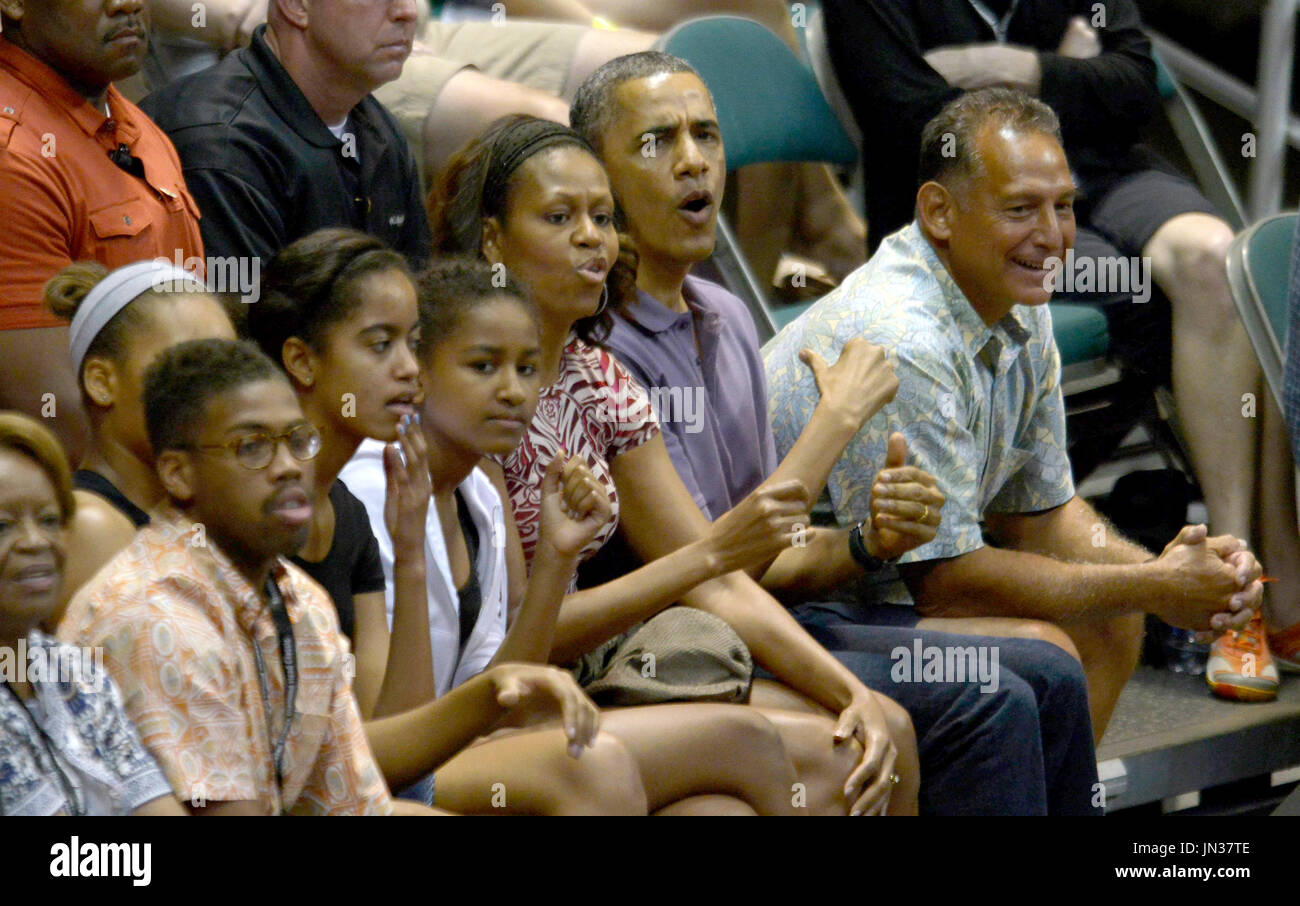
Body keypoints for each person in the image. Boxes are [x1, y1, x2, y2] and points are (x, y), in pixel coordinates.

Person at [569, 51, 1103, 814]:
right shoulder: (601, 346)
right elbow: (711, 576)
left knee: (1050, 672)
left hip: (764, 615)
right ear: (597, 176)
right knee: (989, 699)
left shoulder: (722, 314)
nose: (694, 162)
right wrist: (837, 420)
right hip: (675, 648)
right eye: (658, 142)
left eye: (708, 135)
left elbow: (769, 558)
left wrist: (865, 542)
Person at [430, 114, 932, 816]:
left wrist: (847, 692)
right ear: (492, 241)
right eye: (559, 216)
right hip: (517, 686)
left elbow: (719, 582)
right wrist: (711, 553)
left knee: (883, 732)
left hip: (608, 662)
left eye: (602, 217)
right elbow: (517, 640)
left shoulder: (598, 379)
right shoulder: (474, 397)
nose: (591, 237)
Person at [820, 0, 1300, 700]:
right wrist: (1068, 74)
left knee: (1215, 262)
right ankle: (1228, 586)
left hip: (1103, 172)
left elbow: (1136, 85)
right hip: (978, 202)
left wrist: (1012, 70)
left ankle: (1234, 581)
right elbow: (910, 120)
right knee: (1096, 274)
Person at [59, 337, 648, 814]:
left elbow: (351, 793)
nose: (290, 466)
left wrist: (497, 690)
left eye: (296, 440)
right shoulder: (157, 618)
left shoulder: (296, 600)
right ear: (179, 474)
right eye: (252, 447)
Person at [338, 253, 836, 815]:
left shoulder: (478, 492)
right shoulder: (376, 485)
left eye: (528, 370)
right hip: (405, 767)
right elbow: (395, 736)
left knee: (726, 804)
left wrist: (554, 558)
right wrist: (710, 554)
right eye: (483, 366)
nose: (511, 391)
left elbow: (507, 693)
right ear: (420, 374)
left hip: (472, 740)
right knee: (740, 741)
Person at [0, 0, 205, 459]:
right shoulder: (11, 157)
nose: (127, 4)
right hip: (105, 503)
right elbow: (58, 421)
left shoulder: (135, 124)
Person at [138, 0, 432, 268]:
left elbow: (416, 301)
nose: (408, 11)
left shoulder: (378, 128)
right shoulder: (219, 146)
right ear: (296, 6)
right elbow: (244, 322)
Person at [0, 411, 185, 816]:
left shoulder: (72, 671)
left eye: (49, 520)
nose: (35, 542)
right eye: (3, 526)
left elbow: (157, 808)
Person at [42, 260, 237, 616]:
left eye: (229, 365)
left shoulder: (204, 519)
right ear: (101, 381)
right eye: (188, 364)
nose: (218, 389)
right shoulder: (91, 527)